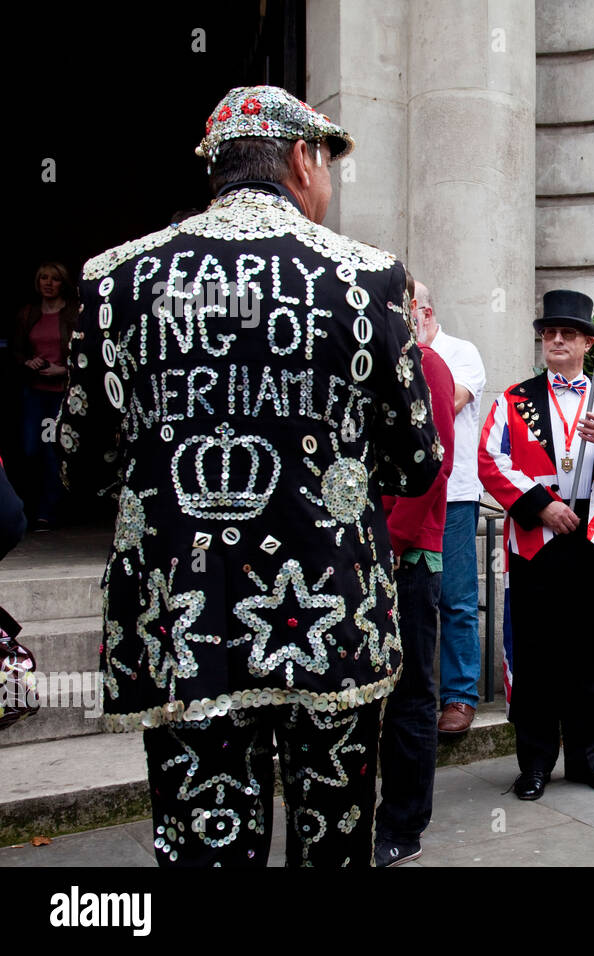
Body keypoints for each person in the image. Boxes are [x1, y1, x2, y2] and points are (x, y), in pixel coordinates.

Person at [58, 85, 440, 867]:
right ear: (301, 159)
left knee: (203, 844)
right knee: (332, 843)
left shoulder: (115, 279)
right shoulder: (365, 277)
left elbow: (79, 462)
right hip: (333, 612)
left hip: (182, 614)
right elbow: (417, 457)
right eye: (328, 160)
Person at [479, 290, 594, 800]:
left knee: (592, 654)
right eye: (549, 333)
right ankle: (534, 763)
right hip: (539, 542)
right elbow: (490, 460)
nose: (556, 340)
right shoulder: (514, 399)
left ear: (587, 343)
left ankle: (586, 758)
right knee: (537, 654)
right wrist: (541, 505)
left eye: (568, 333)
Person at [375, 278, 456, 866]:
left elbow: (432, 470)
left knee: (410, 696)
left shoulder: (431, 367)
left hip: (405, 557)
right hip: (362, 554)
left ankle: (403, 824)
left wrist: (387, 541)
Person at [414, 281, 488, 737]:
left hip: (455, 494)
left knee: (456, 599)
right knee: (409, 597)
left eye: (409, 311)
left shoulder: (461, 353)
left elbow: (443, 401)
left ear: (427, 311)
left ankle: (460, 695)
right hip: (408, 494)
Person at [13, 262, 79, 529]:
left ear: (63, 283)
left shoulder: (73, 314)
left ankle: (47, 512)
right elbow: (16, 351)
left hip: (62, 394)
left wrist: (63, 370)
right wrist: (28, 362)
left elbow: (85, 351)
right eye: (43, 278)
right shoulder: (28, 314)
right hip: (35, 393)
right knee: (30, 449)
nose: (48, 283)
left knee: (55, 453)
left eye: (54, 279)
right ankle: (27, 507)